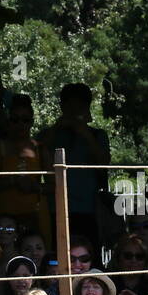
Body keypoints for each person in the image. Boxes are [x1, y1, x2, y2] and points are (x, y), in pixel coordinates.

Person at [38, 83, 112, 241]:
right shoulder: (47, 134)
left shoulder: (97, 135)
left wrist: (84, 133)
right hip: (54, 209)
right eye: (70, 107)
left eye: (79, 107)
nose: (74, 112)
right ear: (62, 107)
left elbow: (104, 163)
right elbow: (36, 153)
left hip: (88, 210)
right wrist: (57, 127)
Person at [0, 94, 49, 239]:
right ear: (9, 122)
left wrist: (35, 186)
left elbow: (55, 186)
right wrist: (13, 181)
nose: (20, 124)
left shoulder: (40, 149)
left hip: (35, 218)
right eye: (15, 120)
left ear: (31, 122)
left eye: (25, 120)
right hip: (5, 218)